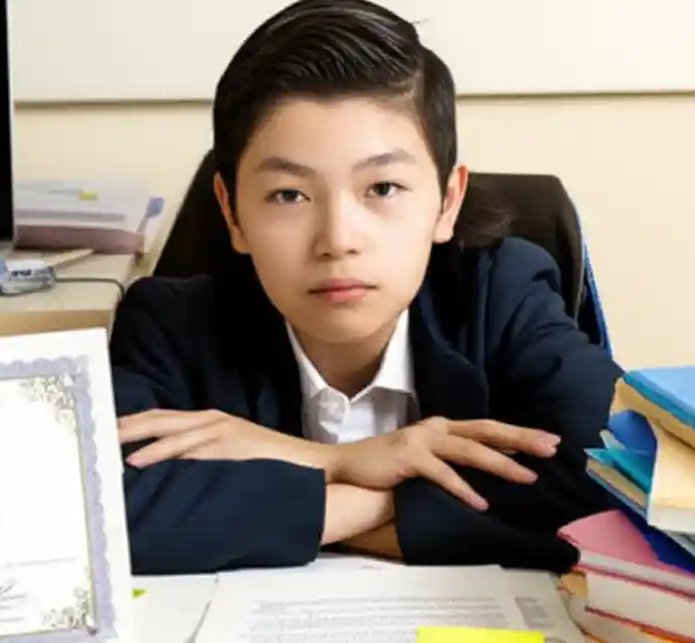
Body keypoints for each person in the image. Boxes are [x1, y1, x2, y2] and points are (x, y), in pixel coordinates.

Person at [110, 0, 621, 576]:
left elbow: (628, 489)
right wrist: (353, 462)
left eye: (382, 187)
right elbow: (99, 517)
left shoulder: (500, 294)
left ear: (447, 201)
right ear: (231, 213)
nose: (337, 240)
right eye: (289, 195)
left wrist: (313, 466)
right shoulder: (169, 324)